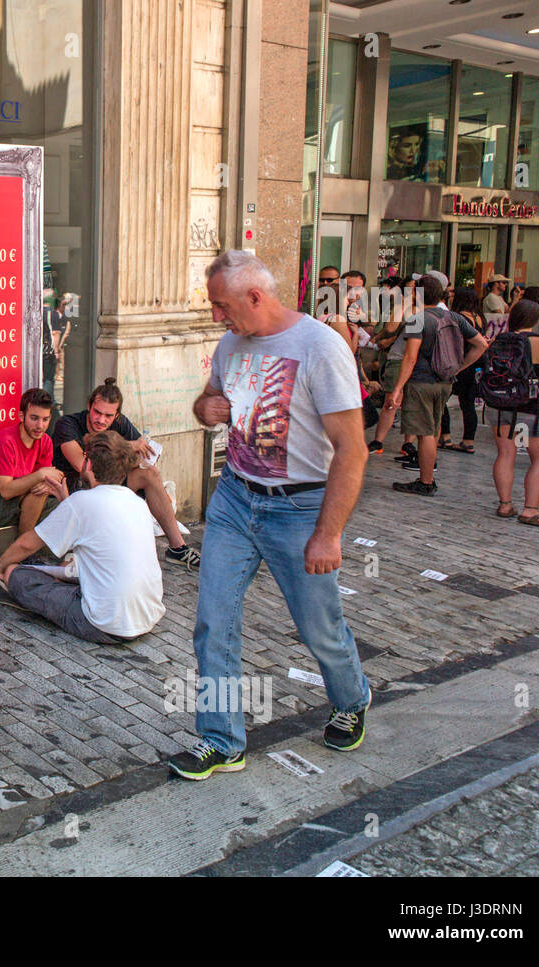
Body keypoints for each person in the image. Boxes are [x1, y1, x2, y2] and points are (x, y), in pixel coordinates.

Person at [170, 251, 371, 781]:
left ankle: (351, 698)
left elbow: (352, 450)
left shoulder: (320, 347)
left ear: (255, 297)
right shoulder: (231, 344)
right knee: (214, 621)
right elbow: (208, 402)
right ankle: (221, 740)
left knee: (317, 625)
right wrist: (203, 408)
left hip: (299, 508)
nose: (217, 316)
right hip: (235, 499)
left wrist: (328, 534)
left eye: (222, 306)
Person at [0, 430, 164, 644]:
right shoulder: (137, 502)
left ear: (90, 465)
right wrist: (66, 501)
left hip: (103, 624)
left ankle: (26, 592)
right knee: (70, 569)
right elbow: (93, 533)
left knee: (15, 573)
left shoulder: (82, 502)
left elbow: (27, 545)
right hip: (148, 617)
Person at [51, 378, 200, 568]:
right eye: (97, 412)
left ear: (116, 415)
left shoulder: (121, 423)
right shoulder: (67, 424)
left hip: (110, 482)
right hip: (78, 485)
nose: (101, 420)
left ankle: (177, 548)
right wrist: (124, 447)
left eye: (108, 415)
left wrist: (130, 452)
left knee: (150, 474)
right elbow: (83, 466)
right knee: (94, 476)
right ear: (89, 406)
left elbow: (142, 458)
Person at [388, 272, 488, 495]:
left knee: (425, 433)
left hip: (421, 381)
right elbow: (481, 344)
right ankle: (427, 478)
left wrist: (397, 388)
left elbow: (410, 357)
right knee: (433, 429)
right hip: (445, 381)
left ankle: (425, 481)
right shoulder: (454, 317)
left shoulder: (418, 319)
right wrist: (459, 367)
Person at [488, 300, 539, 529]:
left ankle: (505, 504)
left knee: (505, 454)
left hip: (500, 407)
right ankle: (531, 509)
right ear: (536, 319)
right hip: (530, 409)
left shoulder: (499, 340)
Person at [0, 388, 63, 535]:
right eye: (34, 418)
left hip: (21, 496)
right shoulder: (6, 441)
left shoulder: (45, 441)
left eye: (45, 419)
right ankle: (22, 548)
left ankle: (41, 552)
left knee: (62, 506)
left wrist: (45, 481)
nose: (40, 426)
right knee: (38, 493)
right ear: (21, 416)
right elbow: (6, 491)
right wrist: (40, 475)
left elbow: (45, 483)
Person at [368, 276, 417, 457]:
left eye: (415, 289)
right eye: (409, 289)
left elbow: (393, 329)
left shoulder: (421, 309)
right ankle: (379, 440)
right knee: (392, 402)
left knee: (409, 404)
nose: (412, 292)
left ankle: (407, 443)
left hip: (413, 360)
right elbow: (389, 328)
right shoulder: (402, 306)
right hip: (398, 359)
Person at [438, 285, 488, 454]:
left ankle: (445, 436)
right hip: (476, 364)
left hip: (461, 363)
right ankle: (468, 441)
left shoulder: (458, 318)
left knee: (442, 399)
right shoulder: (480, 317)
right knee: (468, 403)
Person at [42, 295, 66, 393]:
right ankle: (48, 401)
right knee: (48, 379)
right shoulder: (53, 314)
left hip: (40, 350)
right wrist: (56, 351)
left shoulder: (39, 312)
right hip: (49, 351)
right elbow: (55, 333)